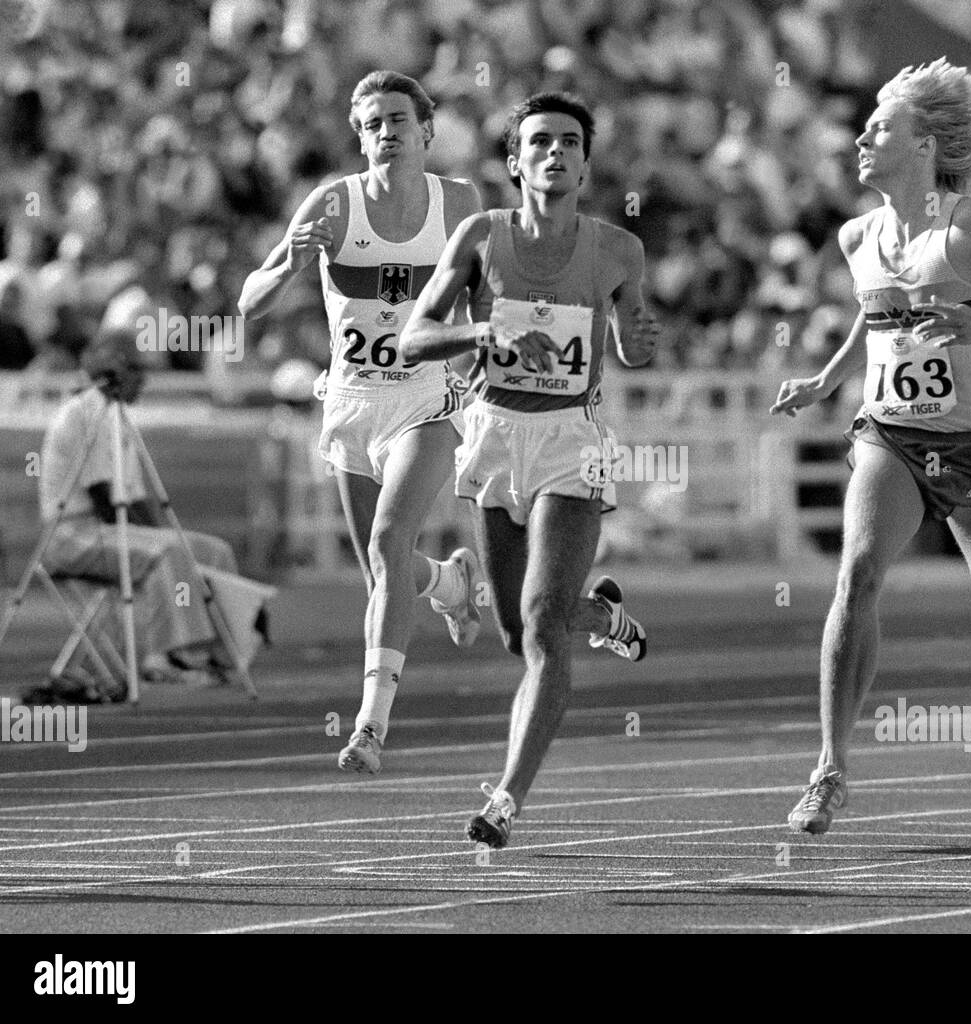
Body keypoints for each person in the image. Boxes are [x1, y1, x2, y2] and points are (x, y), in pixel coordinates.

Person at [770, 59, 971, 835]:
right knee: (857, 574)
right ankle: (830, 768)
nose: (862, 138)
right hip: (891, 438)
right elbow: (875, 320)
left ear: (924, 146)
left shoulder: (970, 227)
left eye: (880, 127)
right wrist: (825, 379)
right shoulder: (857, 236)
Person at [400, 92, 659, 848]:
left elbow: (635, 346)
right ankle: (603, 615)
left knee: (544, 625)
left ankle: (505, 799)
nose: (555, 153)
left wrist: (641, 334)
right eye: (539, 142)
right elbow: (415, 338)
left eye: (569, 143)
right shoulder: (481, 236)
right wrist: (482, 331)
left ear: (584, 162)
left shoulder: (617, 250)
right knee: (519, 634)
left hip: (570, 442)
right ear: (514, 162)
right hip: (492, 435)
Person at [239, 71, 483, 774]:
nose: (386, 132)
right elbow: (249, 302)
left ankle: (370, 727)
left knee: (385, 540)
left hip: (425, 397)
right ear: (359, 133)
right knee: (386, 570)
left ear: (426, 130)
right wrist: (289, 262)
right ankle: (448, 583)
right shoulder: (332, 205)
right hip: (351, 401)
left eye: (398, 119)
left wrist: (482, 357)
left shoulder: (460, 205)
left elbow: (486, 304)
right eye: (372, 122)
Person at [39, 332, 243, 684]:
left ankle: (222, 650)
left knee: (213, 551)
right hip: (72, 534)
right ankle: (168, 655)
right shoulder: (87, 413)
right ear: (112, 371)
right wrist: (160, 538)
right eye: (135, 370)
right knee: (169, 551)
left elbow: (135, 499)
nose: (144, 380)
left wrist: (162, 533)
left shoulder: (115, 416)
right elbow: (105, 499)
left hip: (102, 530)